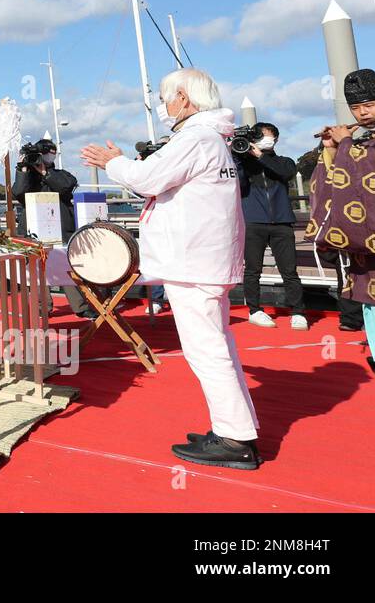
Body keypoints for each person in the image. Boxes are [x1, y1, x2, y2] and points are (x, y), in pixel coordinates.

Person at [82, 67, 261, 470]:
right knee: (218, 348)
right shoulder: (211, 138)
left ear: (183, 97)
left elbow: (149, 178)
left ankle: (235, 439)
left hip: (195, 261)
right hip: (206, 260)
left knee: (208, 351)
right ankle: (233, 429)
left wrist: (115, 162)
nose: (163, 106)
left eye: (165, 98)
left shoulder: (196, 137)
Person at [305, 68, 375, 373]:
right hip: (368, 242)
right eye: (356, 108)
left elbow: (368, 173)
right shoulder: (362, 140)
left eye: (370, 105)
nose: (363, 113)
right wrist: (331, 150)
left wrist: (347, 144)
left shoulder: (361, 143)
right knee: (371, 299)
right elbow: (337, 182)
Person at [13, 138, 95, 318]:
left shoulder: (61, 174)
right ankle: (42, 307)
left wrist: (44, 172)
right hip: (33, 229)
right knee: (35, 270)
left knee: (67, 267)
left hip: (60, 227)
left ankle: (81, 306)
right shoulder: (28, 178)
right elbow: (18, 192)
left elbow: (65, 187)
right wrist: (22, 169)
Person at [238, 122, 308, 330]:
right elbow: (239, 185)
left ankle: (297, 312)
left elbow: (285, 173)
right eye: (259, 136)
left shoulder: (285, 162)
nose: (264, 139)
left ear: (276, 139)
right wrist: (240, 157)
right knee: (252, 270)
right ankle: (254, 310)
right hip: (253, 222)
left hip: (282, 222)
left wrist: (261, 156)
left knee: (289, 270)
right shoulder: (245, 164)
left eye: (267, 136)